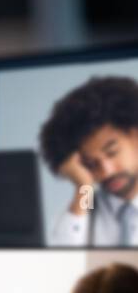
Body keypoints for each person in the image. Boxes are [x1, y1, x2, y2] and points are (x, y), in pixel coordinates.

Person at [39, 76, 138, 247]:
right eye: (91, 164)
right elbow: (61, 260)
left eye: (112, 152)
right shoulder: (86, 207)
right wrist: (83, 187)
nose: (106, 171)